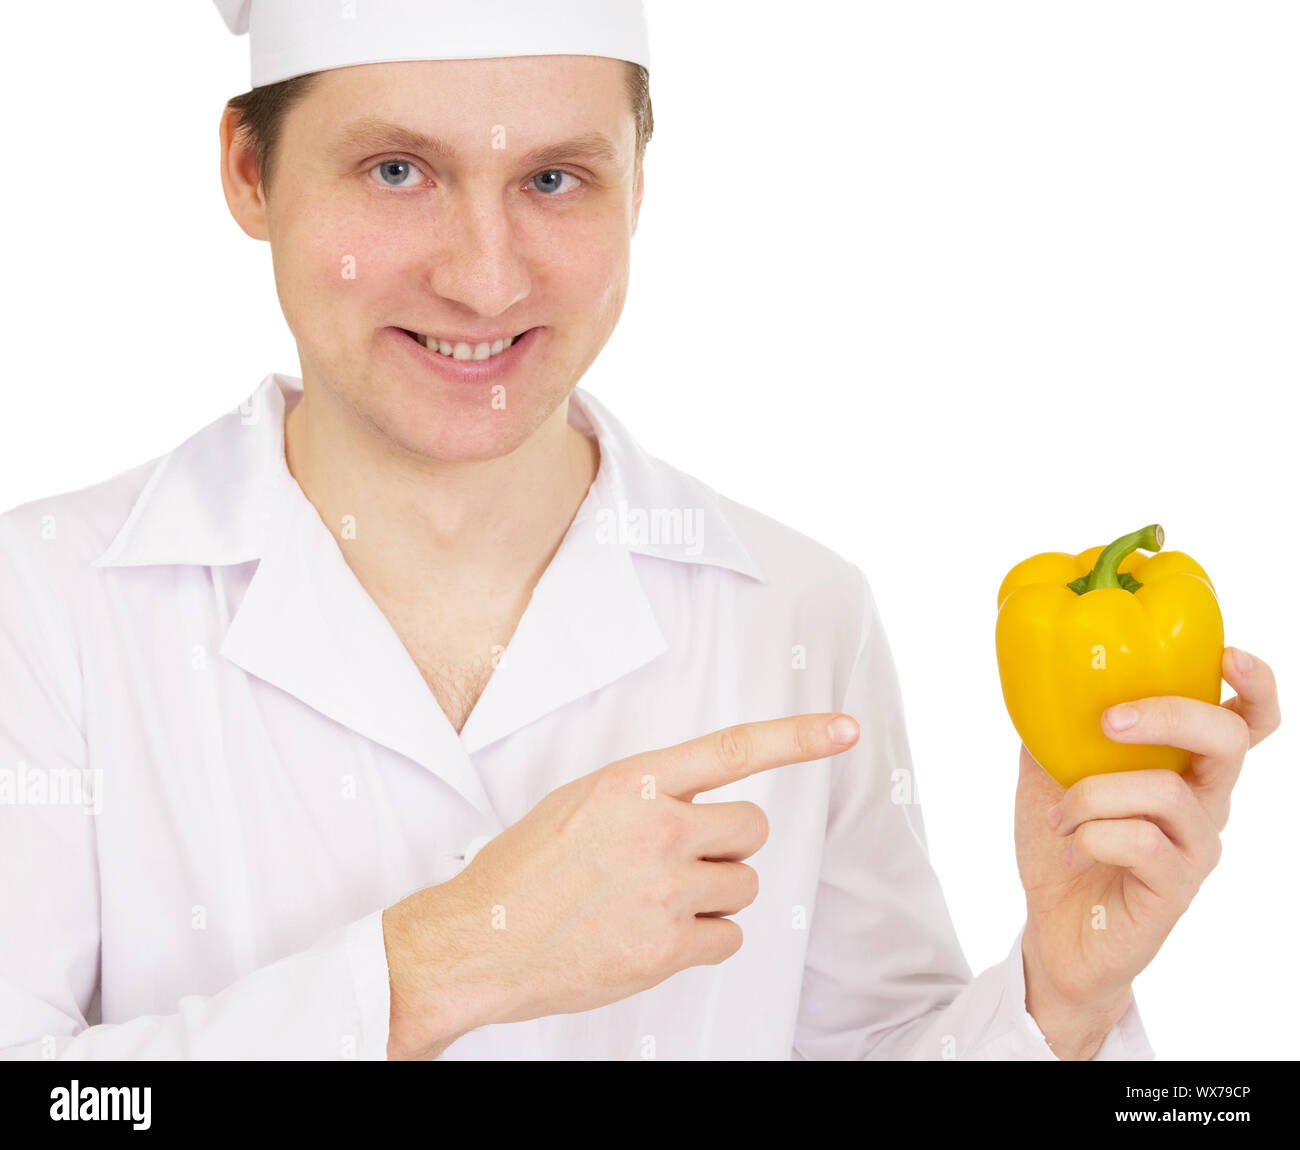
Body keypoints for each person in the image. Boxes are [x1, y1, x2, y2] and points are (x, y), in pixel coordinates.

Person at [0, 0, 1279, 1061]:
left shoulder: (795, 613)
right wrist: (444, 960)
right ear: (248, 171)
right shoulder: (46, 607)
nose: (485, 276)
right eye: (398, 170)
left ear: (638, 189)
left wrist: (1061, 997)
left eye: (554, 178)